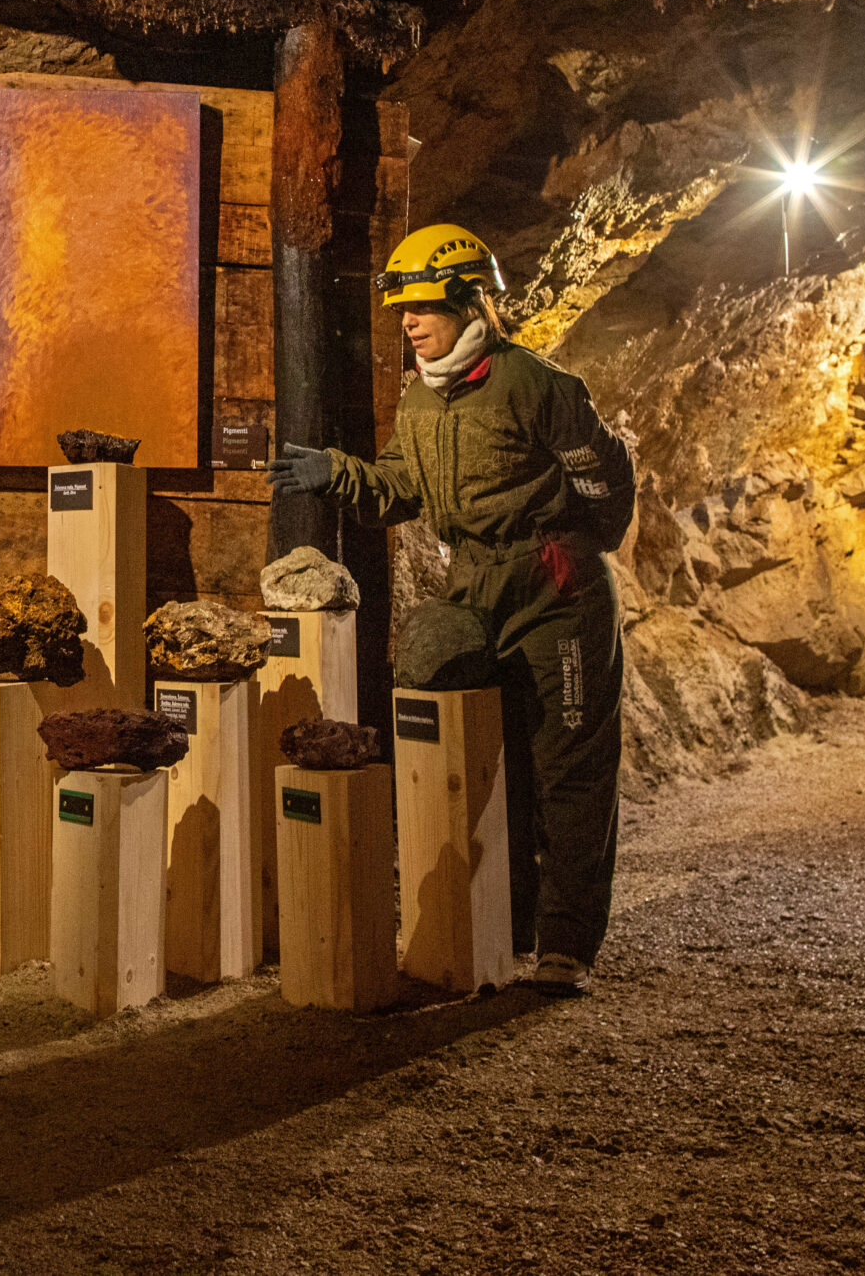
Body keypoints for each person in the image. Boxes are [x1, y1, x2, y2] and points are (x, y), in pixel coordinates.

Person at [266, 224, 635, 997]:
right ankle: (510, 923)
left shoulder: (534, 385)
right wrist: (336, 473)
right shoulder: (421, 400)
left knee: (568, 767)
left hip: (553, 586)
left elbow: (606, 483)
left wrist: (574, 546)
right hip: (474, 582)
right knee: (487, 763)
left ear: (470, 300)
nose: (408, 322)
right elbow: (401, 488)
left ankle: (567, 946)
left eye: (424, 304)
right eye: (402, 308)